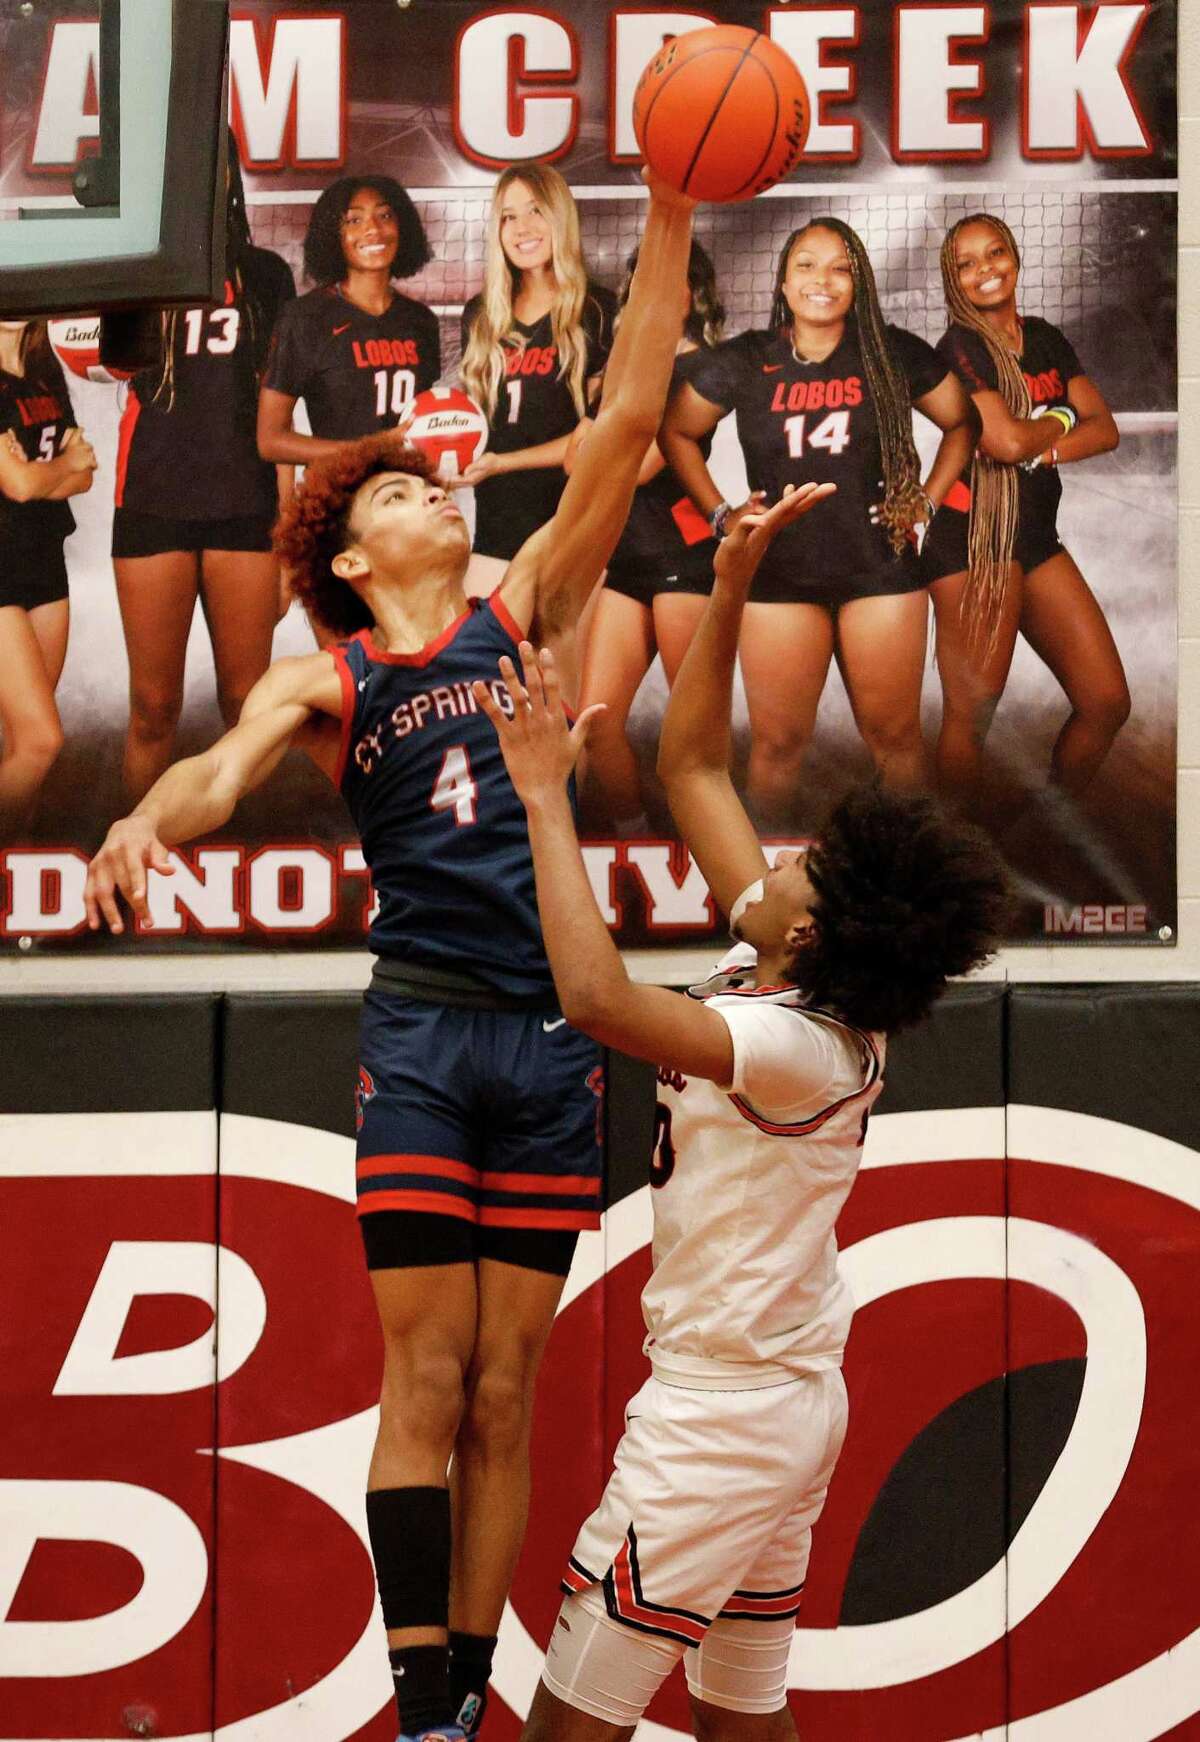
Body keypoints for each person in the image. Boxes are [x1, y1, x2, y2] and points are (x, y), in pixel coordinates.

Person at [83, 171, 697, 1742]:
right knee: (425, 1380)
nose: (438, 495)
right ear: (353, 556)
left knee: (508, 1390)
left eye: (437, 486)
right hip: (422, 1032)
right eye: (405, 495)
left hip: (553, 1034)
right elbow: (210, 774)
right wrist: (143, 818)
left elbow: (630, 422)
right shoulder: (329, 676)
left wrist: (675, 203)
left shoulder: (525, 609)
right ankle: (423, 1703)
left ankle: (467, 1692)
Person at [472, 492, 1009, 1742]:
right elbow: (693, 765)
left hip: (721, 1418)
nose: (775, 859)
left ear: (809, 932)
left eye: (799, 868)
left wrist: (544, 797)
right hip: (779, 1400)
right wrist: (727, 587)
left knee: (570, 1725)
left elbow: (596, 997)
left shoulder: (790, 1041)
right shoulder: (781, 968)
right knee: (740, 1718)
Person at [660, 217, 977, 818]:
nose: (822, 280)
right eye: (805, 265)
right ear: (783, 282)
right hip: (781, 574)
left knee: (896, 741)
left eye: (840, 268)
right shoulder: (750, 358)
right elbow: (675, 430)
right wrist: (721, 513)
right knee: (778, 747)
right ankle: (760, 875)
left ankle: (907, 871)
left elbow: (963, 422)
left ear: (858, 283)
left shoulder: (889, 351)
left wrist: (926, 501)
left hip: (879, 570)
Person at [921, 212, 1129, 803]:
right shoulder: (959, 346)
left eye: (995, 253)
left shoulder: (1044, 338)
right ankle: (950, 846)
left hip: (1034, 536)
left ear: (1015, 256)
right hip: (973, 539)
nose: (985, 270)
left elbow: (1105, 428)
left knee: (1106, 702)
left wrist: (1045, 447)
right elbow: (1005, 443)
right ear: (952, 279)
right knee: (972, 714)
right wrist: (1061, 417)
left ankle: (1038, 830)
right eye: (966, 264)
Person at [111, 143, 295, 802]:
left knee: (247, 706)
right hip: (152, 503)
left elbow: (279, 409)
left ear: (227, 175)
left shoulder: (266, 274)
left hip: (245, 507)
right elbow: (117, 365)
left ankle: (243, 853)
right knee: (153, 709)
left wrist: (290, 533)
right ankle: (135, 856)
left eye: (207, 162)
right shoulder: (136, 265)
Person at [573, 240, 725, 836]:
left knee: (693, 733)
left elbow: (637, 469)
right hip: (629, 561)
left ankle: (710, 847)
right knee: (596, 720)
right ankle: (638, 840)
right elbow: (573, 461)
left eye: (671, 280)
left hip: (684, 558)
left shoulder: (702, 368)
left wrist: (599, 441)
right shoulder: (620, 367)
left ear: (695, 292)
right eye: (643, 280)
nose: (655, 292)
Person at [459, 164, 617, 578]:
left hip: (571, 526)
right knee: (489, 624)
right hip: (496, 525)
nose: (522, 228)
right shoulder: (480, 315)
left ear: (560, 216)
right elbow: (471, 423)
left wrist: (502, 462)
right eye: (508, 217)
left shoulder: (598, 310)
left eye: (535, 211)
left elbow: (594, 438)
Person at [257, 175, 440, 465]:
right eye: (354, 220)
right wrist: (370, 449)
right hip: (340, 490)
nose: (373, 229)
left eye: (385, 215)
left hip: (409, 489)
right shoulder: (305, 318)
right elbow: (271, 441)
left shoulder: (421, 321)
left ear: (402, 225)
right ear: (334, 236)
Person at [0, 319, 97, 832]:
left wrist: (43, 475)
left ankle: (14, 866)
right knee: (42, 741)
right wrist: (57, 467)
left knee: (24, 744)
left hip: (44, 557)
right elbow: (17, 485)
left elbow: (85, 472)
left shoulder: (44, 367)